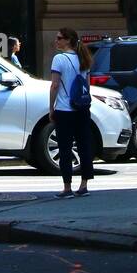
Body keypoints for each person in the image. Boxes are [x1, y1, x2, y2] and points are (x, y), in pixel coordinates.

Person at [49, 27, 94, 199]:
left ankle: (67, 187)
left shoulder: (59, 59)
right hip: (82, 108)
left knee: (65, 148)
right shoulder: (83, 58)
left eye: (59, 38)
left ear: (68, 40)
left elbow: (54, 85)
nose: (56, 41)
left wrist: (51, 107)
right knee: (84, 146)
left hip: (64, 109)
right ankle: (84, 185)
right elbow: (87, 85)